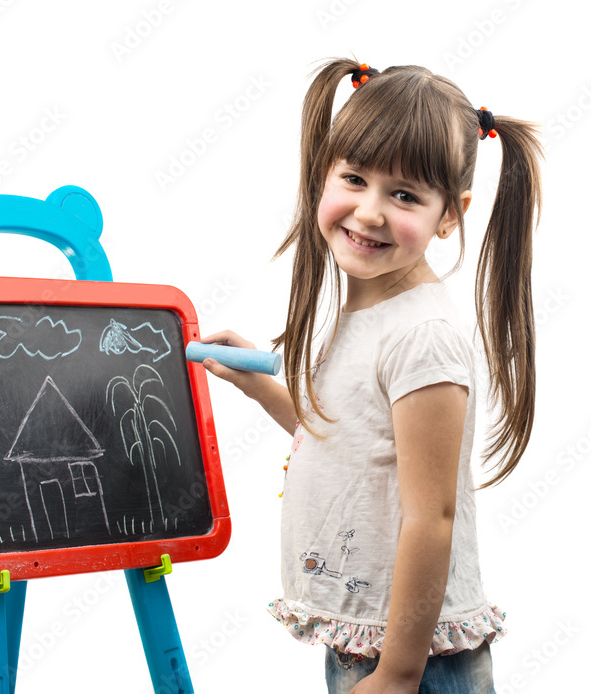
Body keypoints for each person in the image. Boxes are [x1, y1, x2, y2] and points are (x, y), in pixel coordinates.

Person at [201, 57, 544, 694]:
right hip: (369, 639)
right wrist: (255, 383)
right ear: (324, 175)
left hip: (417, 659)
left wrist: (398, 674)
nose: (370, 210)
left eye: (405, 194)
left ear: (451, 214)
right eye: (354, 178)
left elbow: (431, 517)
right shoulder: (365, 312)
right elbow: (345, 436)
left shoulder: (421, 337)